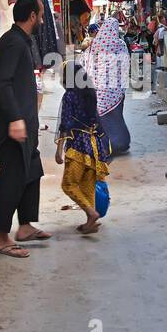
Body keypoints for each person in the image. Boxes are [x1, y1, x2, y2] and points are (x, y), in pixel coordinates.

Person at [0, 0, 50, 258]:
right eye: (40, 14)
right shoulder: (14, 43)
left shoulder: (17, 41)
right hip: (15, 124)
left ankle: (26, 226)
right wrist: (14, 118)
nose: (42, 19)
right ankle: (0, 237)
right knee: (14, 176)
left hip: (24, 122)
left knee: (32, 169)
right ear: (32, 15)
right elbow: (2, 81)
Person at [55, 60, 110, 235]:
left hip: (78, 145)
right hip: (95, 146)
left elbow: (65, 124)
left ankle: (91, 213)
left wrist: (59, 149)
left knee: (69, 184)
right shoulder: (90, 92)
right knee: (87, 184)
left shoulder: (70, 96)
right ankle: (90, 223)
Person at [86, 17, 132, 156]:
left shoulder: (95, 44)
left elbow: (88, 65)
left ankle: (103, 145)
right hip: (115, 90)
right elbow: (125, 65)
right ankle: (118, 144)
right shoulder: (120, 44)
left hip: (98, 89)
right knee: (116, 117)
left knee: (102, 120)